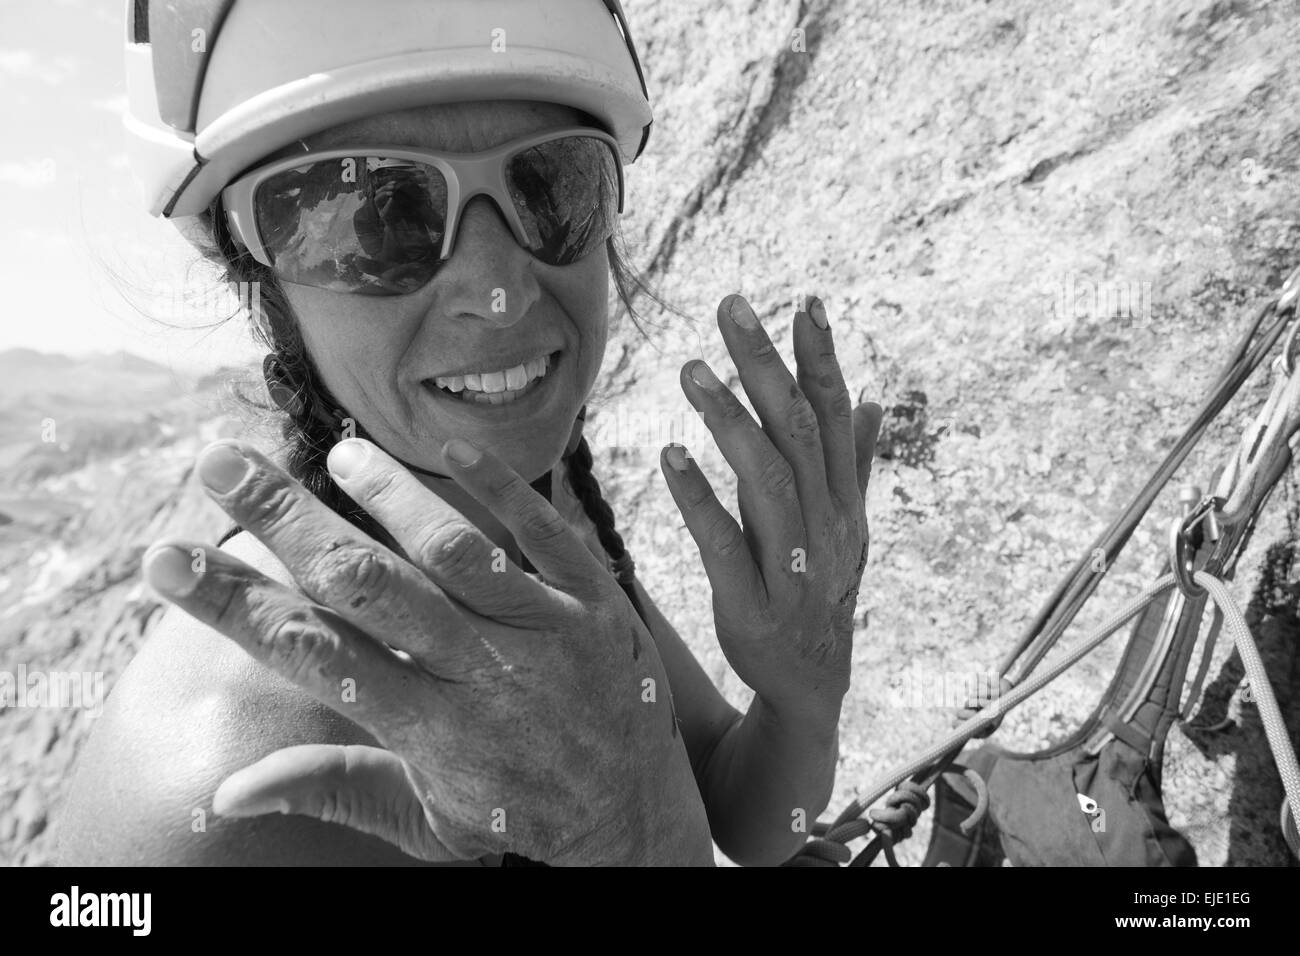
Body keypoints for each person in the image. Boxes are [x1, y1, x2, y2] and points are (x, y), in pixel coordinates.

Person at [59, 0, 883, 866]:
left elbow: (739, 809)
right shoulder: (224, 800)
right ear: (267, 295)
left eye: (552, 186)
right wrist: (628, 841)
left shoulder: (538, 519)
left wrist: (801, 692)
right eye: (376, 214)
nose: (501, 287)